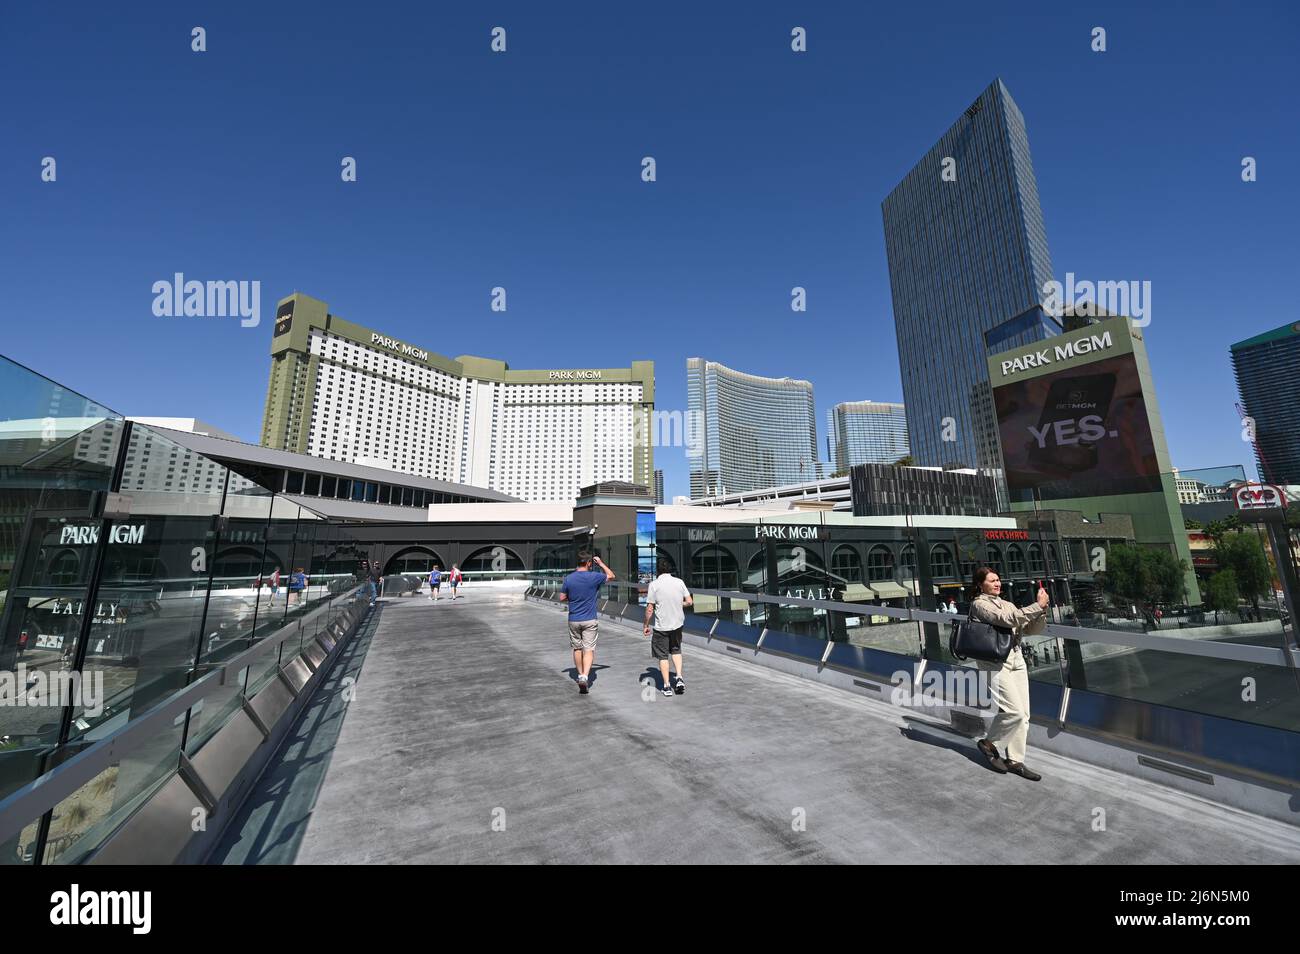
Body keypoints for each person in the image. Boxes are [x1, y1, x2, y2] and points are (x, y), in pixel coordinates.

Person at [967, 566, 1049, 781]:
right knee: (1014, 711)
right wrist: (1035, 606)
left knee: (1025, 715)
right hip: (994, 662)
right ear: (980, 584)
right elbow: (1007, 619)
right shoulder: (979, 604)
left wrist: (1041, 611)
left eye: (998, 580)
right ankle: (989, 744)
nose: (997, 583)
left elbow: (1031, 630)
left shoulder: (1007, 603)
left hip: (1016, 658)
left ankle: (1015, 760)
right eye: (992, 580)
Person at [560, 551, 615, 694]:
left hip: (574, 619)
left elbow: (561, 597)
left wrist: (573, 598)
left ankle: (580, 675)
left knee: (577, 648)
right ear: (589, 563)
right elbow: (611, 576)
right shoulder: (594, 577)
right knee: (588, 649)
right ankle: (585, 675)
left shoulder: (569, 578)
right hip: (590, 619)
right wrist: (601, 563)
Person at [643, 558, 693, 696]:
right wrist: (677, 603)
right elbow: (689, 602)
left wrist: (646, 625)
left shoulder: (654, 585)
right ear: (670, 569)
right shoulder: (679, 582)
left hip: (661, 627)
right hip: (677, 624)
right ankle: (679, 677)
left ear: (657, 570)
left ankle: (666, 686)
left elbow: (649, 609)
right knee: (676, 650)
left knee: (663, 656)